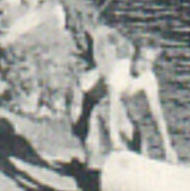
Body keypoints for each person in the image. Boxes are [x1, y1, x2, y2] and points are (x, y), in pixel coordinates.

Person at [75, 32, 178, 167]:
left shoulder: (148, 77)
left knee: (136, 139)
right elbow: (112, 107)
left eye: (150, 62)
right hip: (88, 97)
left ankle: (139, 170)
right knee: (91, 144)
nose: (145, 66)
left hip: (112, 101)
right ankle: (88, 168)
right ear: (134, 57)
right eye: (142, 59)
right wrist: (115, 140)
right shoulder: (119, 71)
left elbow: (157, 113)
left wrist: (167, 146)